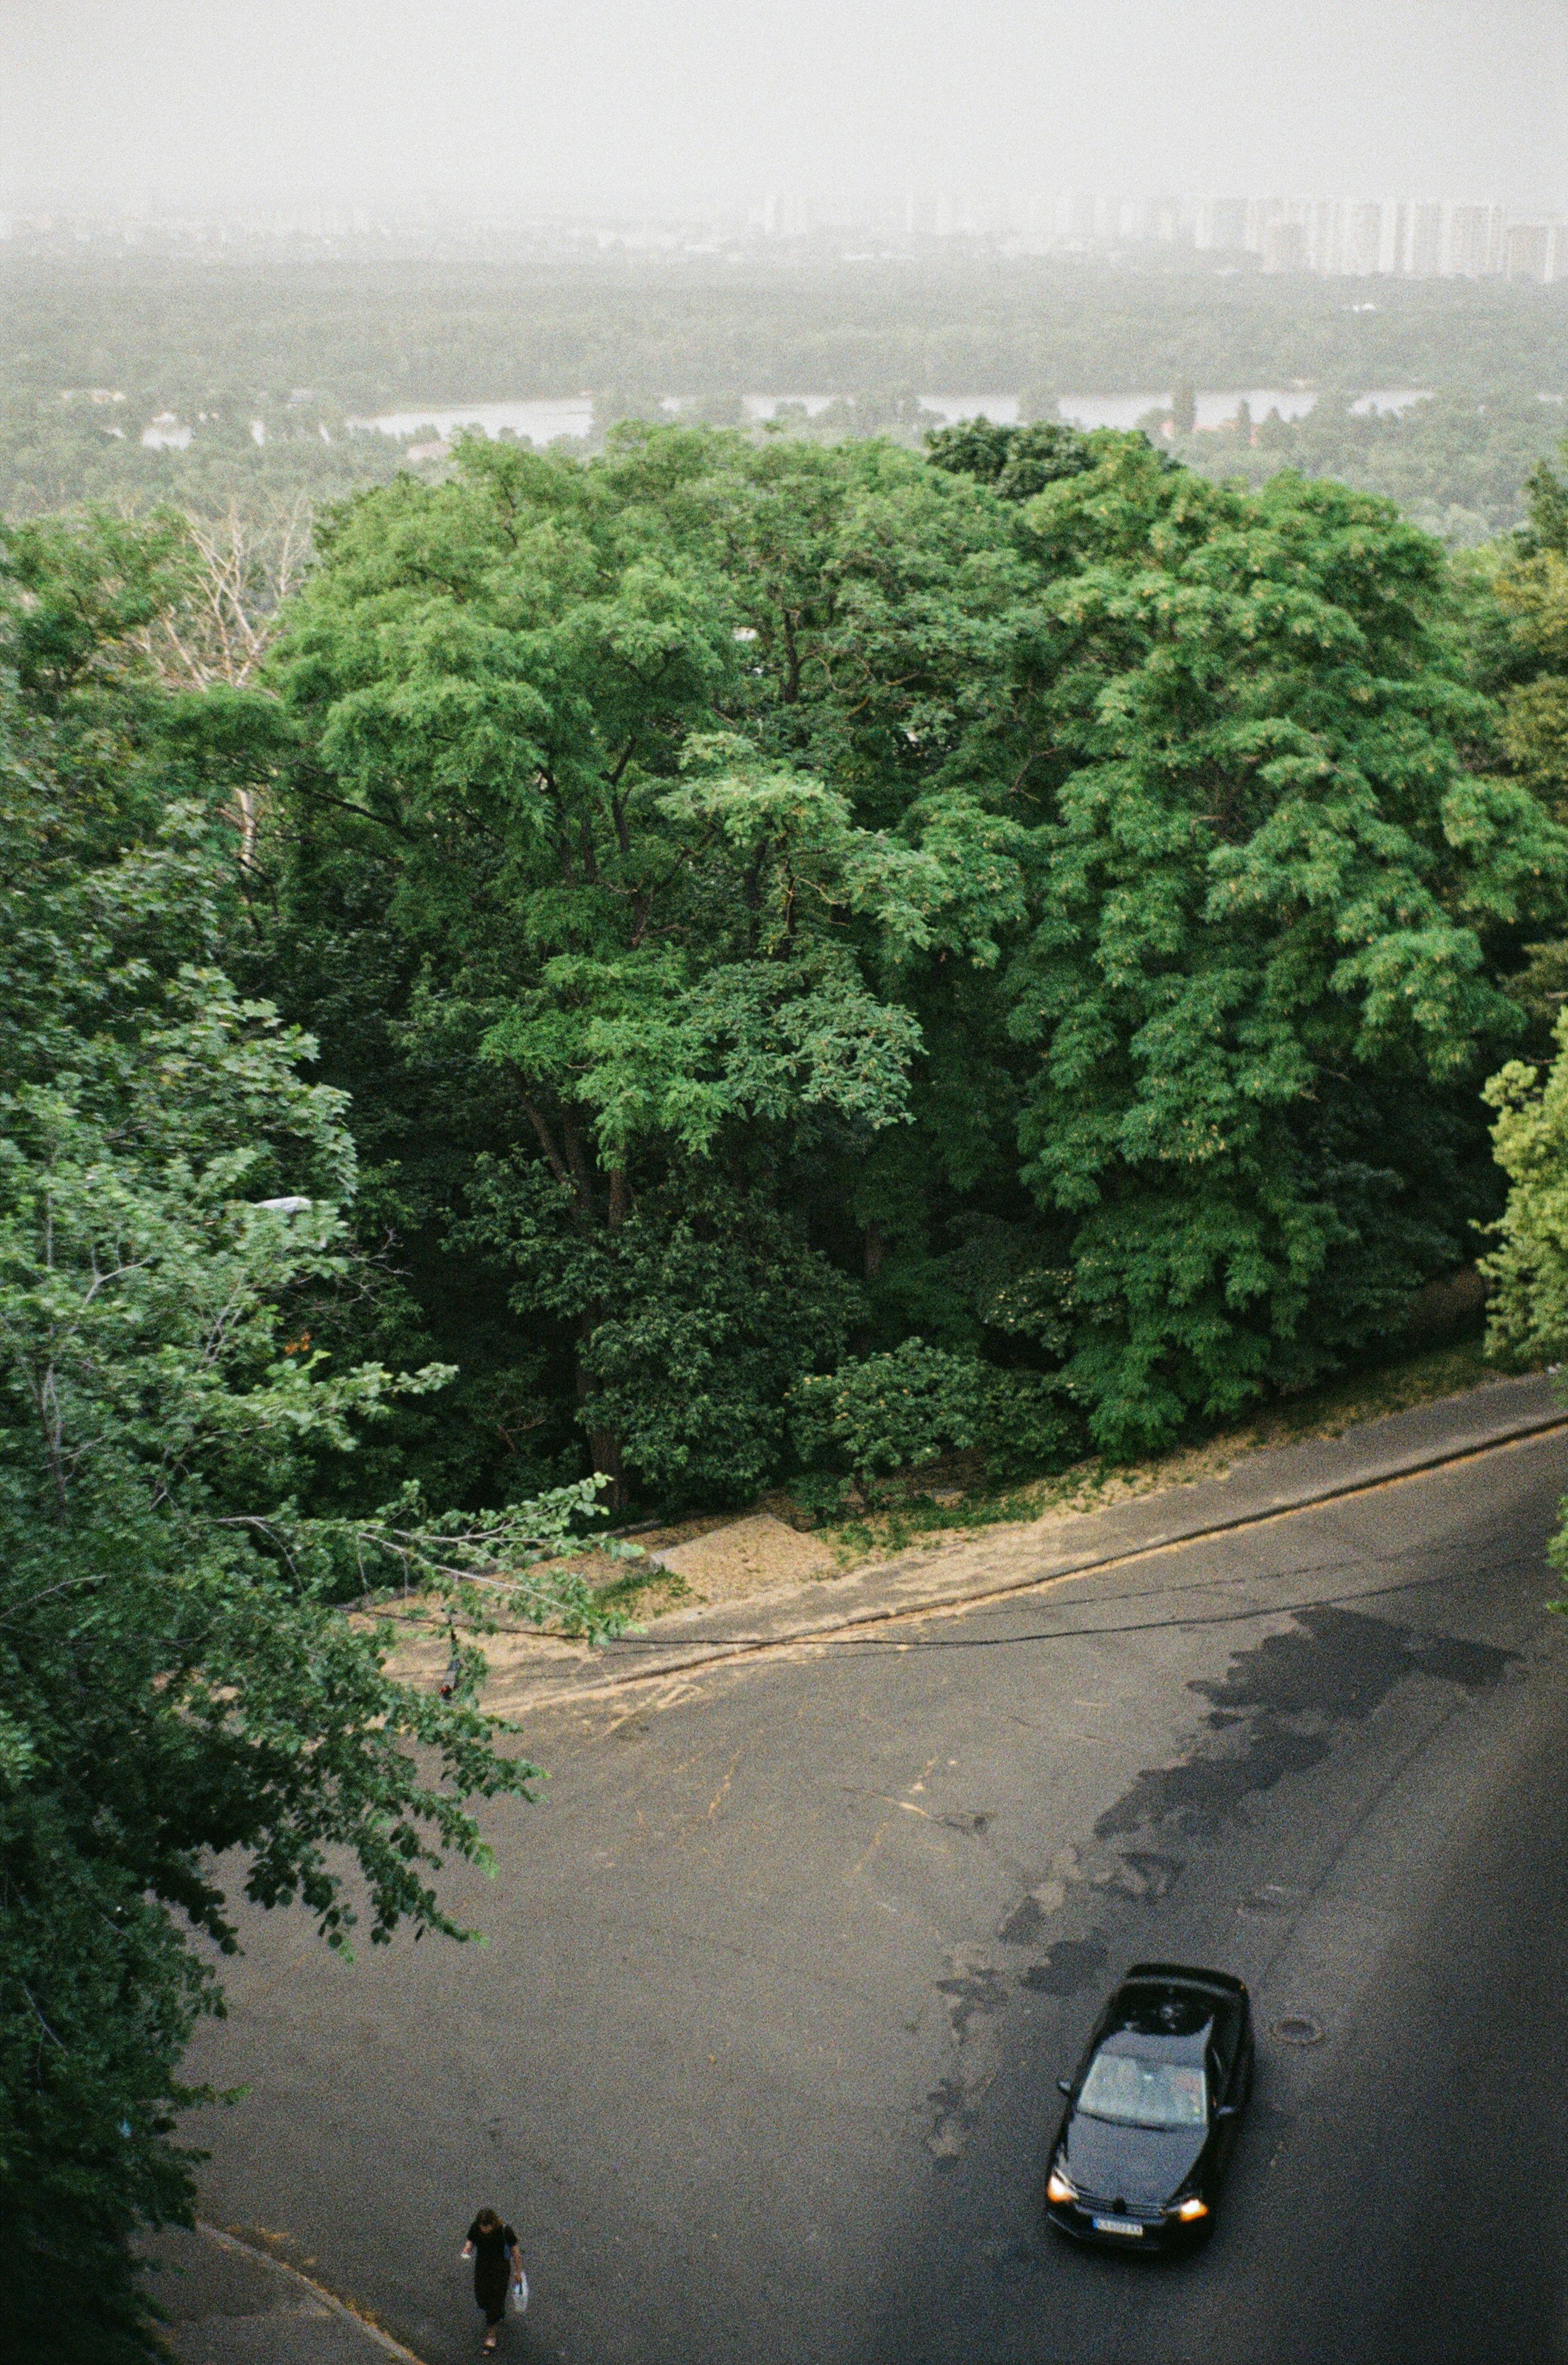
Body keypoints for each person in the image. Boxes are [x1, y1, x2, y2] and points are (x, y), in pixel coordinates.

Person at [461, 2207, 522, 2351]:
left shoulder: (504, 2231)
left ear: (493, 2223)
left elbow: (515, 2251)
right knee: (482, 2297)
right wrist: (467, 2249)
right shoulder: (477, 2227)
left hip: (500, 2269)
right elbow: (471, 2239)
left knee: (495, 2300)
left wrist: (518, 2272)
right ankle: (496, 2312)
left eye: (487, 2227)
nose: (484, 2230)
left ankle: (491, 2335)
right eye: (482, 2227)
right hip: (482, 2266)